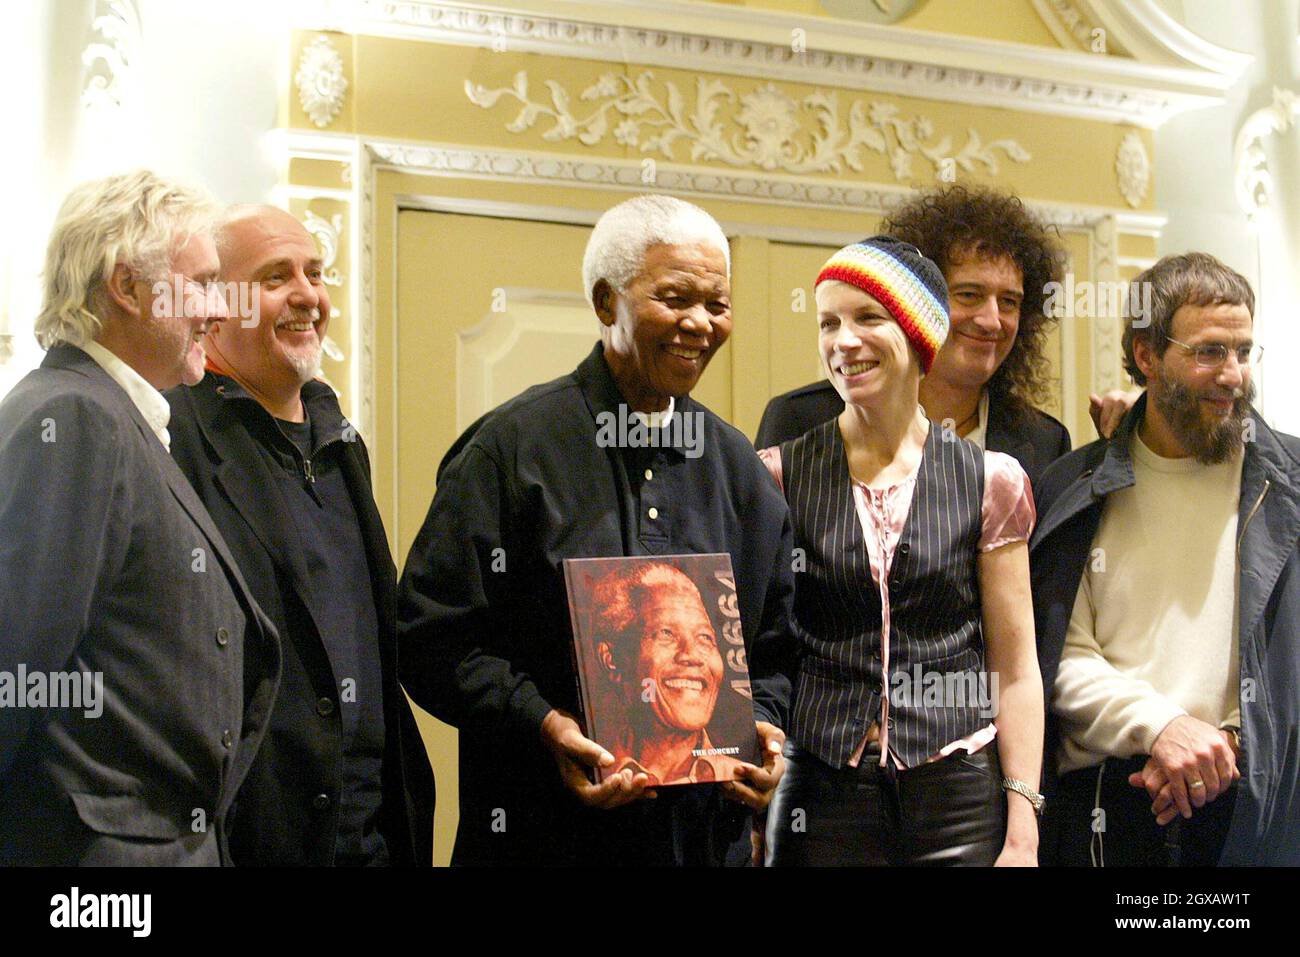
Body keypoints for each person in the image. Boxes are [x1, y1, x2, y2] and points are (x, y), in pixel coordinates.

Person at [397, 194, 793, 866]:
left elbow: (779, 652)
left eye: (717, 304)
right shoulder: (512, 451)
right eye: (675, 297)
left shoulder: (740, 472)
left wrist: (768, 728)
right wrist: (542, 723)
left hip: (702, 844)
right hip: (541, 839)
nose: (699, 323)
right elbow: (428, 637)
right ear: (608, 302)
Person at [0, 171, 280, 865]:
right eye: (202, 283)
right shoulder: (75, 418)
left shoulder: (113, 416)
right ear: (126, 287)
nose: (219, 310)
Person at [759, 237, 1044, 866]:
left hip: (960, 796)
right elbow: (762, 654)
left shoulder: (991, 479)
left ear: (919, 334)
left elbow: (1017, 669)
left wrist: (1023, 830)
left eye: (867, 317)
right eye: (829, 322)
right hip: (820, 792)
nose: (843, 340)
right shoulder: (776, 475)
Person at [166, 205, 434, 866]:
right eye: (275, 276)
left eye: (315, 272)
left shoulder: (339, 439)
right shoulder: (171, 434)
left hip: (368, 838)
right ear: (215, 305)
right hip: (249, 839)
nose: (308, 294)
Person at [1031, 252, 1300, 866]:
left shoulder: (1289, 485)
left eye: (1243, 351)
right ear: (1146, 355)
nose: (1233, 374)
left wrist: (1225, 739)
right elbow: (1058, 655)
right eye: (1208, 352)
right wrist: (1161, 727)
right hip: (1111, 805)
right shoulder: (1075, 487)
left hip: (1255, 802)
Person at [756, 186, 1135, 486]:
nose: (992, 320)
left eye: (1009, 302)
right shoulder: (800, 419)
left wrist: (1141, 426)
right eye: (969, 295)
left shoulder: (1041, 441)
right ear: (916, 303)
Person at [591, 561, 748, 786]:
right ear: (612, 660)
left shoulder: (743, 776)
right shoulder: (592, 774)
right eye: (666, 633)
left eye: (705, 637)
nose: (691, 655)